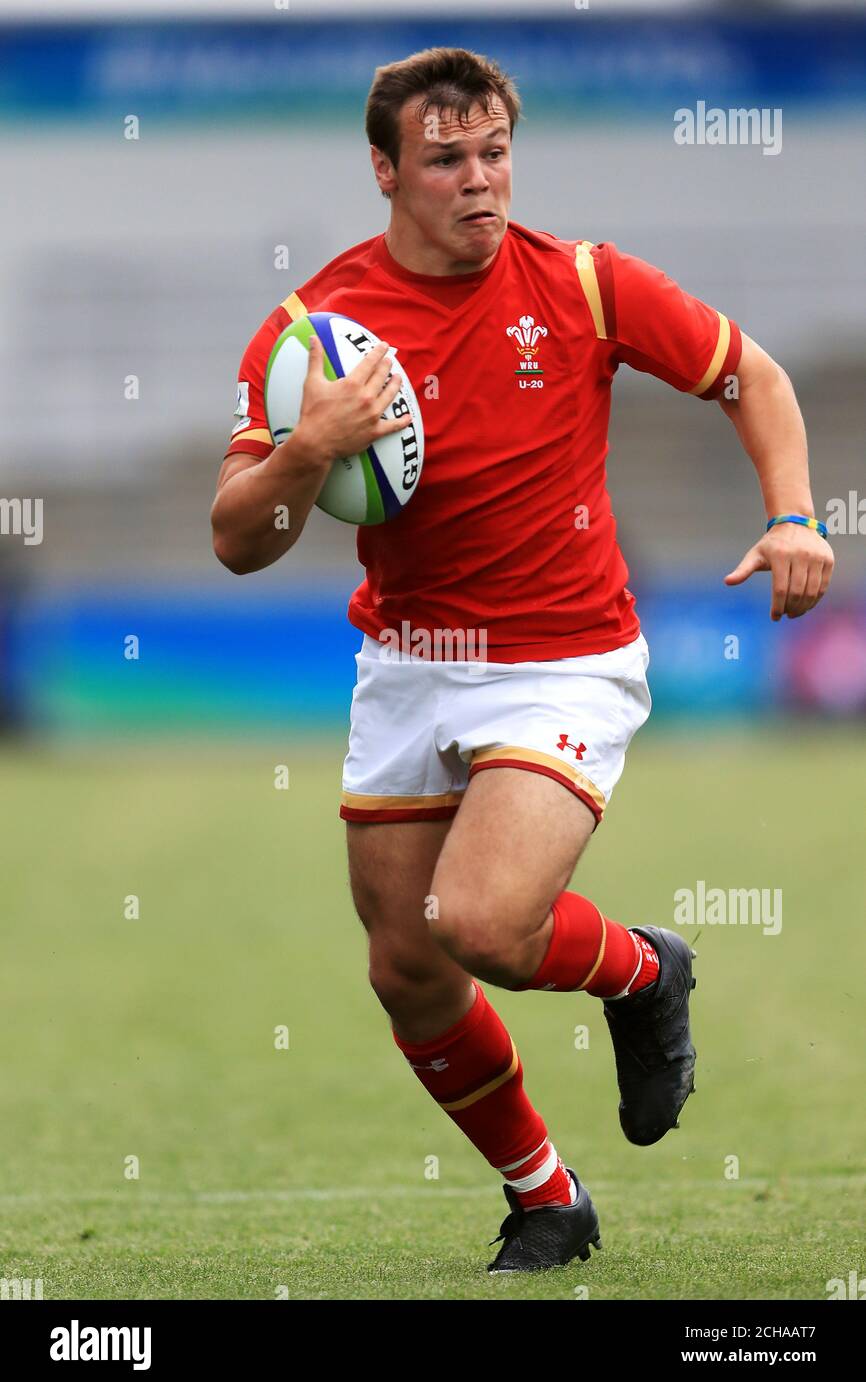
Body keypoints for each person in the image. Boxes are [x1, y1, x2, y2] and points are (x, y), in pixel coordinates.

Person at [211, 48, 833, 1273]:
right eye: (446, 160)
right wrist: (307, 448)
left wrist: (795, 515)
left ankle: (645, 971)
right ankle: (544, 1195)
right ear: (386, 170)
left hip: (564, 658)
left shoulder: (586, 286)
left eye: (494, 153)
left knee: (483, 922)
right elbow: (238, 537)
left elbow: (748, 374)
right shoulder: (310, 339)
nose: (479, 180)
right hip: (406, 662)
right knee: (406, 969)